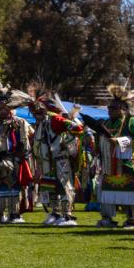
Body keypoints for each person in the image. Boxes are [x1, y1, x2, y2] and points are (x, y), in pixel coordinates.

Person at [89, 86, 134, 229]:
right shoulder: (107, 123)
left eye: (115, 108)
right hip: (109, 165)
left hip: (128, 164)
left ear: (124, 109)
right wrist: (98, 148)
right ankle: (107, 218)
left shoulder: (132, 121)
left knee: (130, 191)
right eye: (110, 108)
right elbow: (101, 140)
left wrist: (120, 141)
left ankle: (133, 219)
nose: (111, 110)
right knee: (106, 192)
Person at [0, 86, 33, 225]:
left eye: (5, 106)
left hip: (12, 159)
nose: (2, 109)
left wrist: (22, 155)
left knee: (13, 186)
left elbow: (29, 138)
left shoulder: (19, 122)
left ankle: (14, 214)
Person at [30, 94, 87, 227]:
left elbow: (78, 128)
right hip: (46, 162)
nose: (35, 114)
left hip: (60, 160)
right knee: (49, 187)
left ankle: (67, 215)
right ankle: (55, 213)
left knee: (64, 186)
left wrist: (66, 141)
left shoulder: (55, 119)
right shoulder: (41, 123)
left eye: (39, 110)